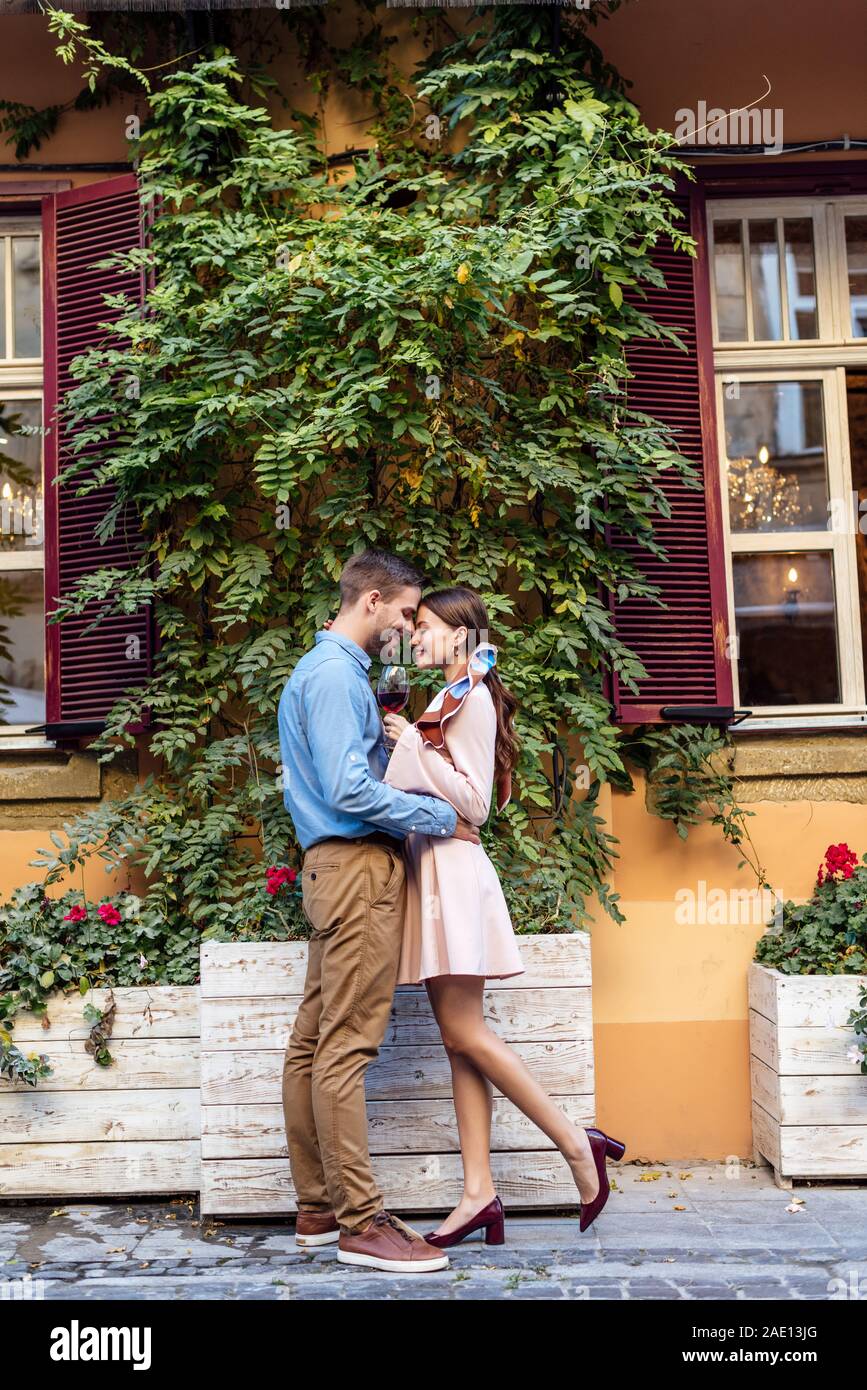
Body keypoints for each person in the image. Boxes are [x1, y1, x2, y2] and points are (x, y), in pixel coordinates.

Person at [380, 586, 626, 1247]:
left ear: (459, 636)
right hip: (434, 870)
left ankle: (577, 1144)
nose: (415, 637)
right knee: (460, 1041)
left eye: (426, 626)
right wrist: (417, 743)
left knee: (466, 1035)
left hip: (454, 872)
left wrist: (411, 747)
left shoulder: (473, 698)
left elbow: (475, 803)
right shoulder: (450, 696)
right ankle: (478, 1193)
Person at [278, 548, 482, 1275]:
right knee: (346, 1047)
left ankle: (318, 1207)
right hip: (356, 867)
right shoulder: (335, 675)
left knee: (312, 1041)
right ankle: (360, 1224)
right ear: (369, 601)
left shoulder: (320, 671)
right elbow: (347, 791)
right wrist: (431, 812)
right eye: (402, 613)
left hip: (331, 869)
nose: (405, 627)